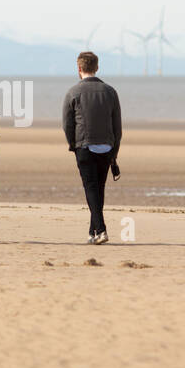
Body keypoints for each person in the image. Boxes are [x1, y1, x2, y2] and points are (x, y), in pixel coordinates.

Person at [62, 51, 122, 244]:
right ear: (97, 67)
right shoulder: (110, 92)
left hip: (84, 146)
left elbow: (67, 124)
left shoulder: (73, 92)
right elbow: (117, 127)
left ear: (79, 69)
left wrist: (73, 145)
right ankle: (92, 232)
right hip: (106, 147)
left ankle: (102, 230)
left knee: (91, 189)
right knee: (98, 189)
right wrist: (114, 151)